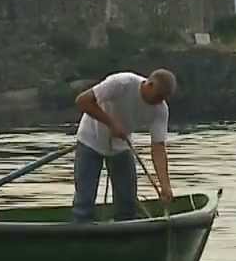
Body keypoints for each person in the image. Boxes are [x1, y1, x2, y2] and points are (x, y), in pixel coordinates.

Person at [70, 68, 176, 222]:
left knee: (127, 204)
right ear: (150, 84)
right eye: (158, 96)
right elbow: (82, 101)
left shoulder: (160, 109)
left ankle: (125, 237)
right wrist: (111, 123)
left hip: (121, 146)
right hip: (90, 140)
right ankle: (80, 235)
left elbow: (158, 147)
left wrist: (165, 185)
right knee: (84, 202)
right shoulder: (122, 83)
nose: (159, 101)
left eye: (164, 98)